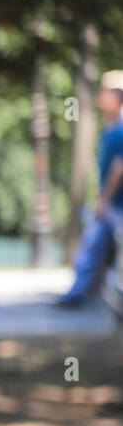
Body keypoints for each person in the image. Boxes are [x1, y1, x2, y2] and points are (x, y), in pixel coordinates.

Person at [56, 69, 123, 307]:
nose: (100, 97)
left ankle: (80, 293)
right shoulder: (111, 128)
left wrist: (104, 200)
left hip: (116, 205)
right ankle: (81, 292)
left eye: (105, 92)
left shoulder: (120, 129)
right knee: (94, 247)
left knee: (96, 245)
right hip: (113, 204)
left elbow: (119, 168)